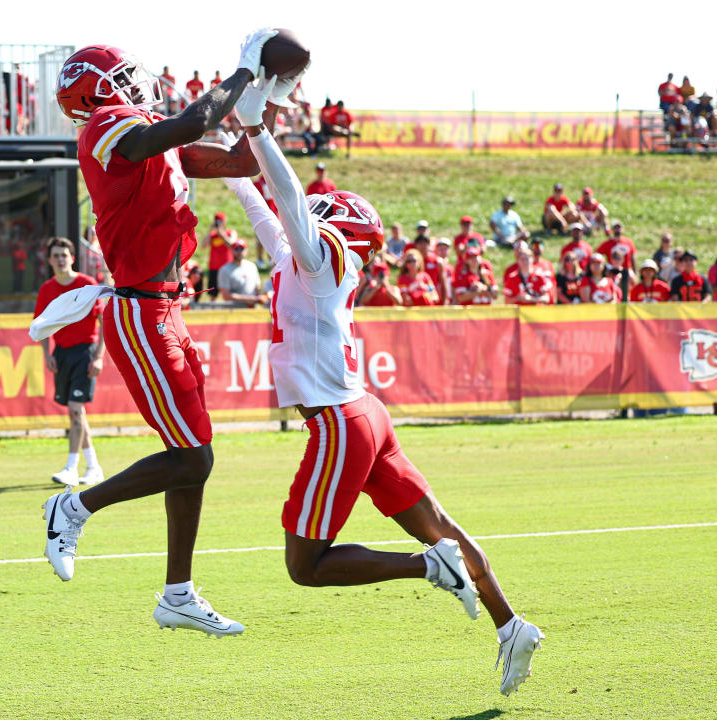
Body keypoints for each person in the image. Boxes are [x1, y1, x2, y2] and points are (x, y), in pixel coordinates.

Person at [224, 90, 543, 694]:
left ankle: (427, 566)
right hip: (365, 413)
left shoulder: (321, 261)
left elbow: (288, 203)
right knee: (441, 522)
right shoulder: (311, 261)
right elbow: (269, 214)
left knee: (305, 566)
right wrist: (233, 167)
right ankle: (511, 624)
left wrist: (258, 135)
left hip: (340, 421)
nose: (306, 213)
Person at [41, 31, 281, 636]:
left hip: (168, 309)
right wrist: (244, 71)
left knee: (191, 459)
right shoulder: (104, 128)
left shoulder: (147, 133)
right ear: (101, 89)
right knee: (194, 457)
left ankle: (178, 593)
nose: (132, 81)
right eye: (119, 75)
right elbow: (192, 121)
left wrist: (273, 94)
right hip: (141, 312)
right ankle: (73, 506)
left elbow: (242, 164)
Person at [36, 237, 108, 487]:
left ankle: (71, 467)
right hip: (62, 354)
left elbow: (104, 323)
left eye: (64, 255)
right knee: (76, 413)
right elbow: (41, 325)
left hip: (85, 353)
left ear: (72, 258)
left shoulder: (86, 285)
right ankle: (94, 467)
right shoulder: (47, 289)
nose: (60, 259)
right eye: (55, 255)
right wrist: (48, 353)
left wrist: (98, 357)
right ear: (49, 260)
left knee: (76, 410)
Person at [217, 237, 267, 307]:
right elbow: (226, 296)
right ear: (231, 250)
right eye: (236, 249)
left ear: (246, 251)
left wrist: (259, 298)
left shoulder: (252, 266)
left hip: (252, 309)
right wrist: (249, 299)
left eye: (242, 248)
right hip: (233, 310)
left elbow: (257, 288)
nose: (239, 251)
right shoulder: (225, 269)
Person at [205, 211, 238, 299]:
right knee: (213, 294)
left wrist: (221, 233)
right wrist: (210, 230)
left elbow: (231, 244)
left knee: (229, 293)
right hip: (214, 268)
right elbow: (203, 245)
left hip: (228, 267)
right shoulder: (212, 235)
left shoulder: (230, 232)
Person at [412, 231, 449, 305]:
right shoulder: (412, 262)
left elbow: (443, 282)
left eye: (424, 243)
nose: (422, 246)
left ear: (429, 245)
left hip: (435, 299)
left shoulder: (437, 261)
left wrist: (445, 301)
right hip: (418, 299)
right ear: (416, 246)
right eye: (420, 243)